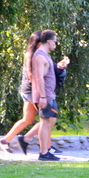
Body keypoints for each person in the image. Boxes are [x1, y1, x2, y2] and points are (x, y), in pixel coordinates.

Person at [31, 30, 63, 161]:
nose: (56, 44)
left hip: (50, 94)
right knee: (44, 123)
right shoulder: (39, 57)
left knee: (49, 121)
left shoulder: (45, 56)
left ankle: (46, 150)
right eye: (55, 42)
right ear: (49, 42)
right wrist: (42, 97)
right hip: (46, 96)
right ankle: (43, 153)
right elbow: (39, 78)